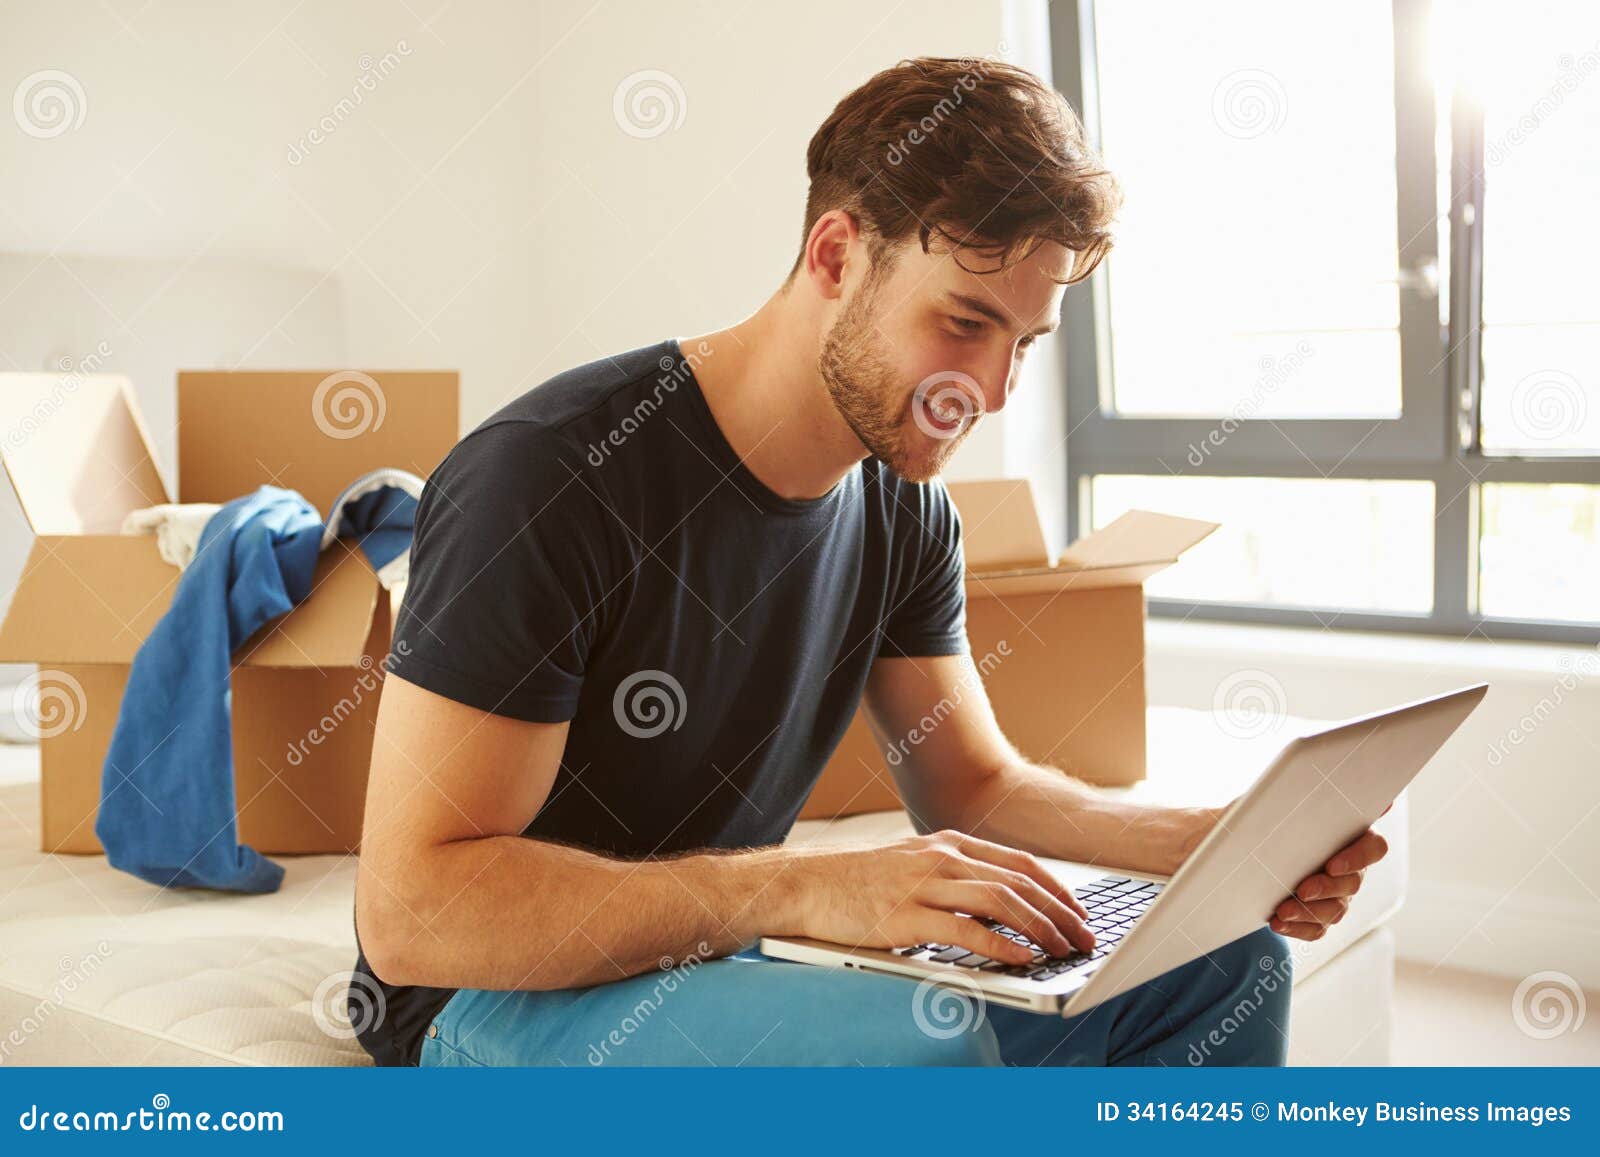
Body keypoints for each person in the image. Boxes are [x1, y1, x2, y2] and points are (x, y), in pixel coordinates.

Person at [349, 56, 1388, 1068]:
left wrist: (1213, 842)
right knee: (907, 1048)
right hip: (494, 995)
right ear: (836, 256)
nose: (989, 388)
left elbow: (972, 785)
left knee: (1226, 963)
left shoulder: (903, 504)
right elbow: (415, 911)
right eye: (964, 322)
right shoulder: (550, 474)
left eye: (1022, 343)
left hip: (727, 953)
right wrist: (799, 887)